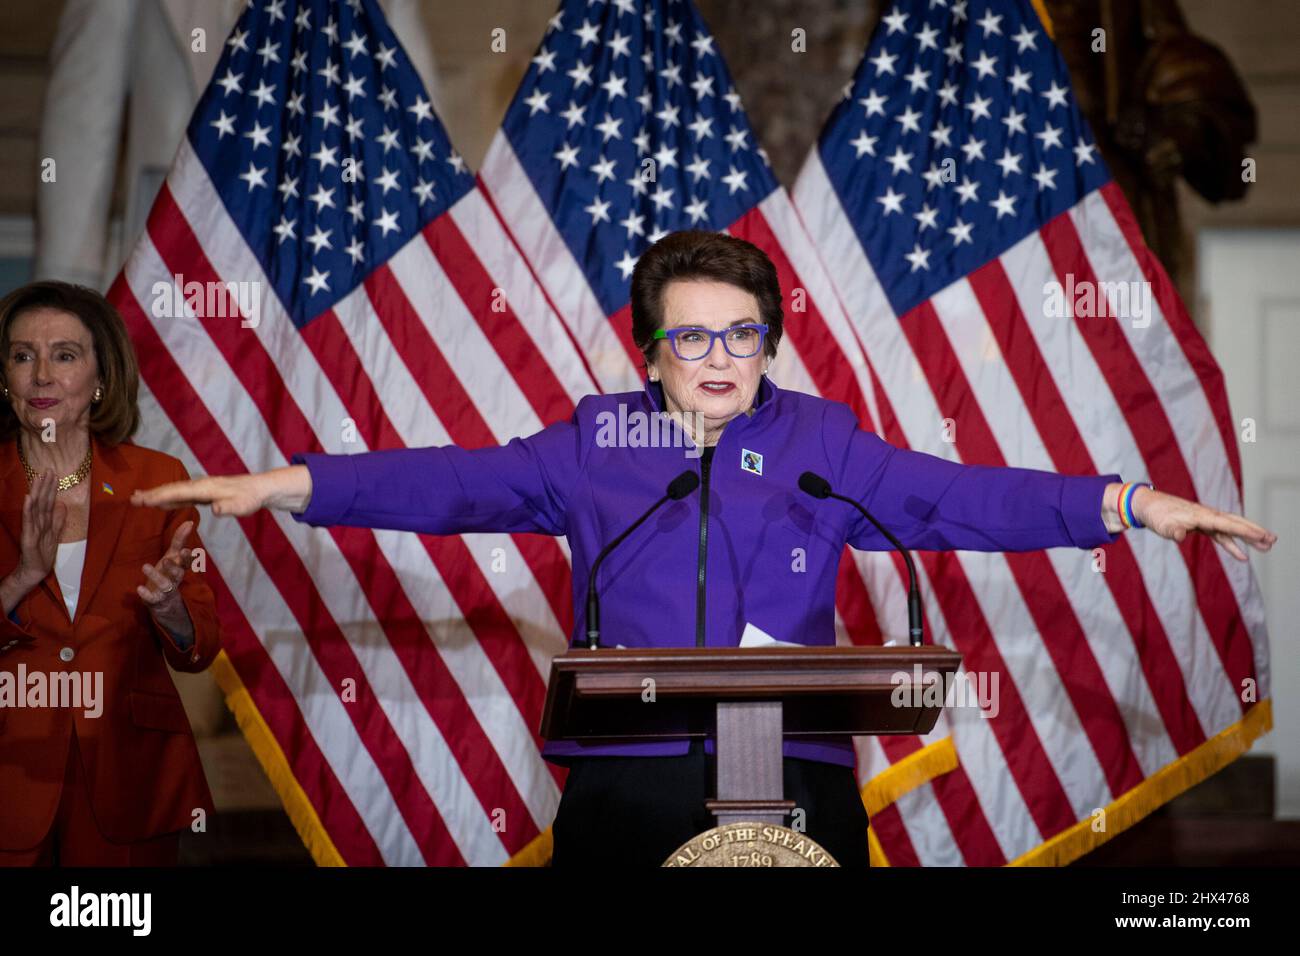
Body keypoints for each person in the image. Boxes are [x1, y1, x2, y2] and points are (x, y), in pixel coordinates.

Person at [131, 230, 1277, 867]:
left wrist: (1128, 503)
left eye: (742, 333)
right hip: (630, 789)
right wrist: (287, 484)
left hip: (797, 787)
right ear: (649, 351)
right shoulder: (595, 445)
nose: (721, 354)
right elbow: (451, 479)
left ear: (768, 341)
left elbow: (958, 500)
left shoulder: (822, 437)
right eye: (693, 334)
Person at [0, 281, 221, 866]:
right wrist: (22, 579)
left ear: (102, 379)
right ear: (5, 379)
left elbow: (200, 648)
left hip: (129, 774)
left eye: (64, 355)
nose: (41, 374)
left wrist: (170, 606)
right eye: (23, 356)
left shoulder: (157, 478)